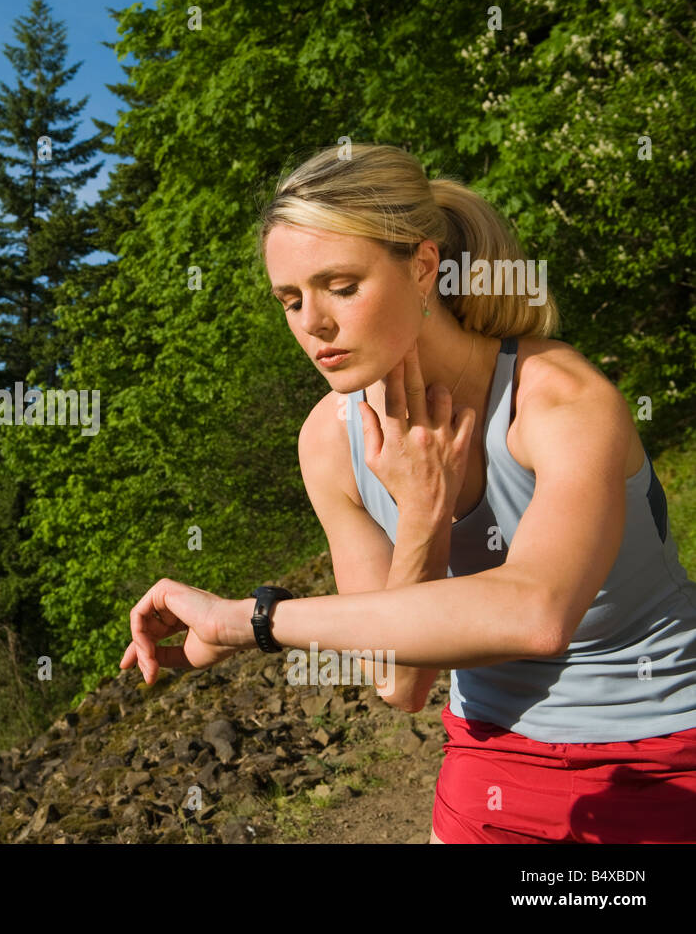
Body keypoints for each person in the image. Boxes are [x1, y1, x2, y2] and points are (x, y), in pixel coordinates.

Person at [120, 143, 696, 844]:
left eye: (341, 284)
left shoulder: (560, 400)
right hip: (487, 759)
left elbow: (539, 611)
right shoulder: (330, 443)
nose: (313, 323)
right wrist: (422, 520)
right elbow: (399, 685)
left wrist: (250, 621)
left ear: (423, 268)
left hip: (660, 755)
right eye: (291, 299)